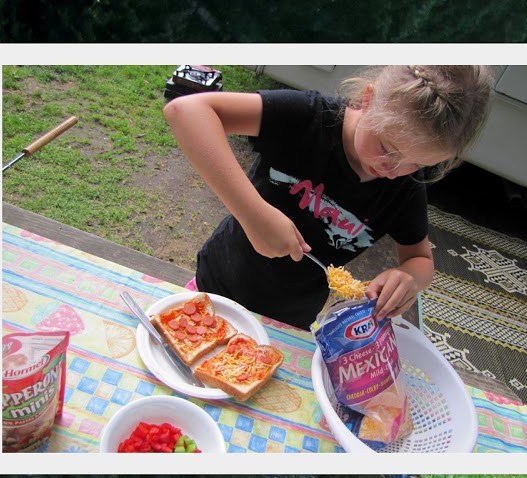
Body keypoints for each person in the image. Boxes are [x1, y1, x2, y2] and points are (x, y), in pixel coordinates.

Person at [164, 65, 491, 328]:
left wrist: (408, 278)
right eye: (386, 148)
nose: (392, 169)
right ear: (367, 99)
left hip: (290, 318)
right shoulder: (308, 118)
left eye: (417, 163)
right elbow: (186, 111)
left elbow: (420, 259)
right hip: (220, 281)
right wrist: (253, 213)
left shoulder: (405, 188)